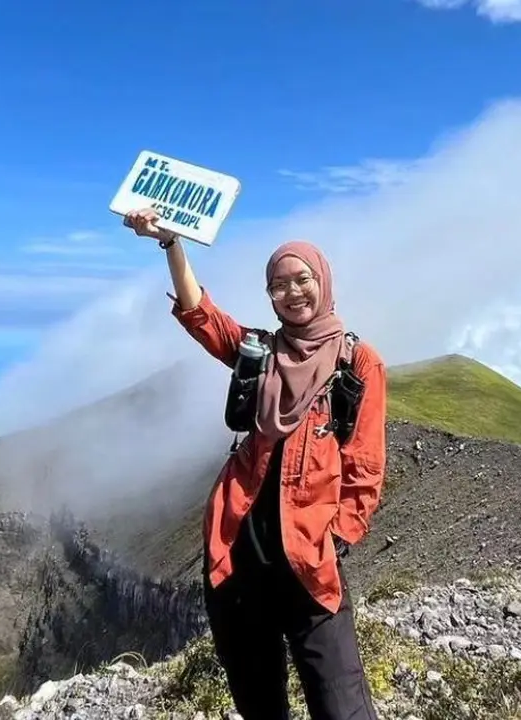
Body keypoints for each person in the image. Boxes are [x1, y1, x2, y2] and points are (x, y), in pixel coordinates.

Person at [123, 207, 388, 720]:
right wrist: (171, 244)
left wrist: (335, 539)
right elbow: (202, 316)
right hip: (238, 557)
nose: (291, 293)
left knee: (342, 706)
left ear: (323, 281)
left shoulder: (358, 362)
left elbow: (365, 468)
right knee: (260, 705)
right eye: (278, 285)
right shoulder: (258, 351)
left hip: (309, 562)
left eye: (301, 279)